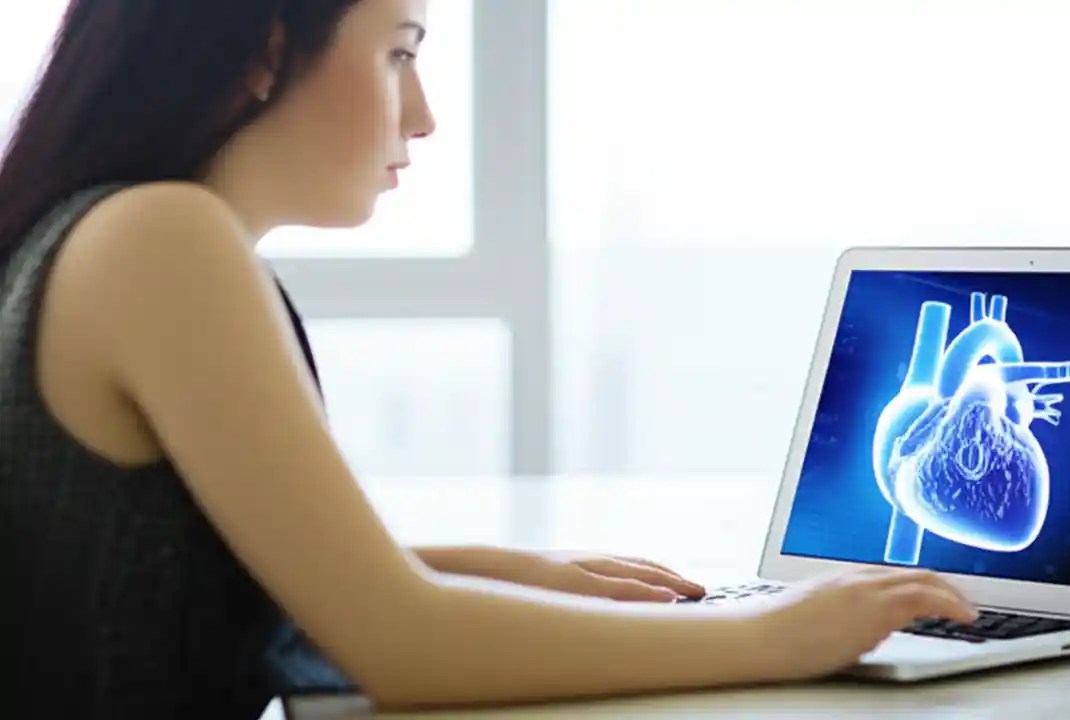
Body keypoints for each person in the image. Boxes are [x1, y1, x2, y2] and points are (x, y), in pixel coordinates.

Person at [0, 1, 978, 717]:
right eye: (396, 54)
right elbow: (398, 643)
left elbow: (180, 579)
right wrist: (773, 636)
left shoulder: (99, 234)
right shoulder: (160, 239)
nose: (420, 114)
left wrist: (496, 572)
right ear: (264, 49)